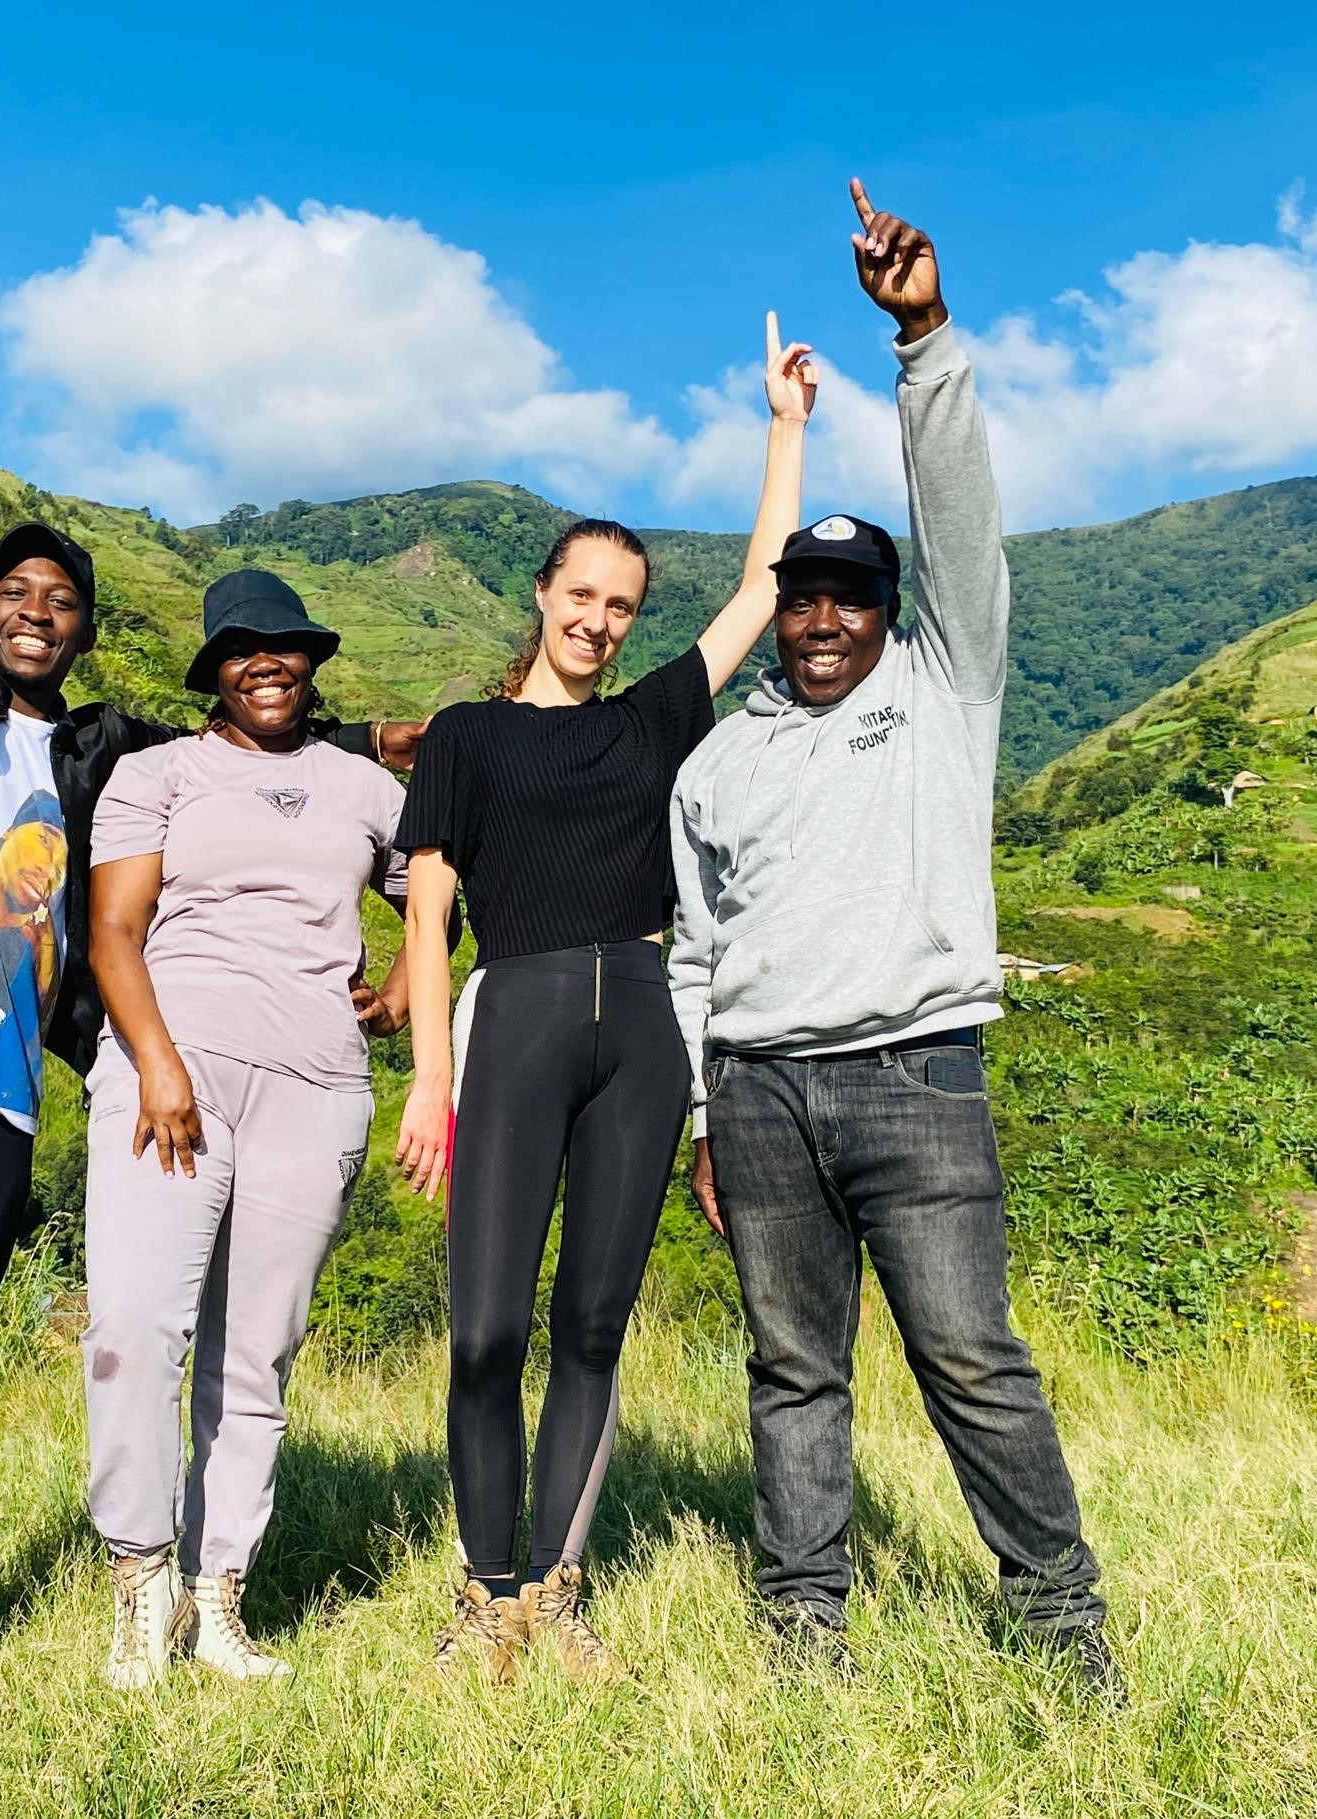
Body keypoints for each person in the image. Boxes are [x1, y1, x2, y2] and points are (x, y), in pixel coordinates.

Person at [0, 181, 420, 1709]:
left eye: (64, 599)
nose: (38, 610)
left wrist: (392, 735)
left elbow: (255, 729)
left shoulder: (112, 754)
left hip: (17, 1084)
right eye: (17, 592)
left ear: (87, 633)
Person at [668, 180, 1119, 1694]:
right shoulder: (721, 756)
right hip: (757, 1089)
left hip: (916, 1077)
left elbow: (960, 515)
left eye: (855, 598)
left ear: (892, 613)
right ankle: (806, 1635)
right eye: (806, 597)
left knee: (971, 1362)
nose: (824, 621)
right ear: (781, 607)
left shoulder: (945, 690)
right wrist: (698, 1114)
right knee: (793, 1371)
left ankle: (1063, 1631)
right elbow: (692, 949)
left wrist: (920, 337)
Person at [389, 312, 819, 1680]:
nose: (600, 618)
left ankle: (553, 1596)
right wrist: (427, 1077)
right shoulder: (465, 735)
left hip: (639, 1023)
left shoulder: (653, 719)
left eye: (623, 604)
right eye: (583, 593)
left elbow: (763, 585)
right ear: (541, 591)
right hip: (510, 1017)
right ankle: (483, 1587)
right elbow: (430, 903)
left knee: (590, 1324)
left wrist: (786, 427)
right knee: (484, 1328)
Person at [81, 570, 418, 1688]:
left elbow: (435, 892)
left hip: (317, 1084)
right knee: (133, 1327)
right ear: (214, 670)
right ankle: (141, 1581)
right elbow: (114, 932)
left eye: (285, 647)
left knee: (255, 1352)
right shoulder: (157, 773)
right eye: (242, 650)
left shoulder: (365, 787)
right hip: (166, 1080)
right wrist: (160, 1069)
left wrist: (412, 979)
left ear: (311, 661)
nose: (266, 664)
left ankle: (218, 1594)